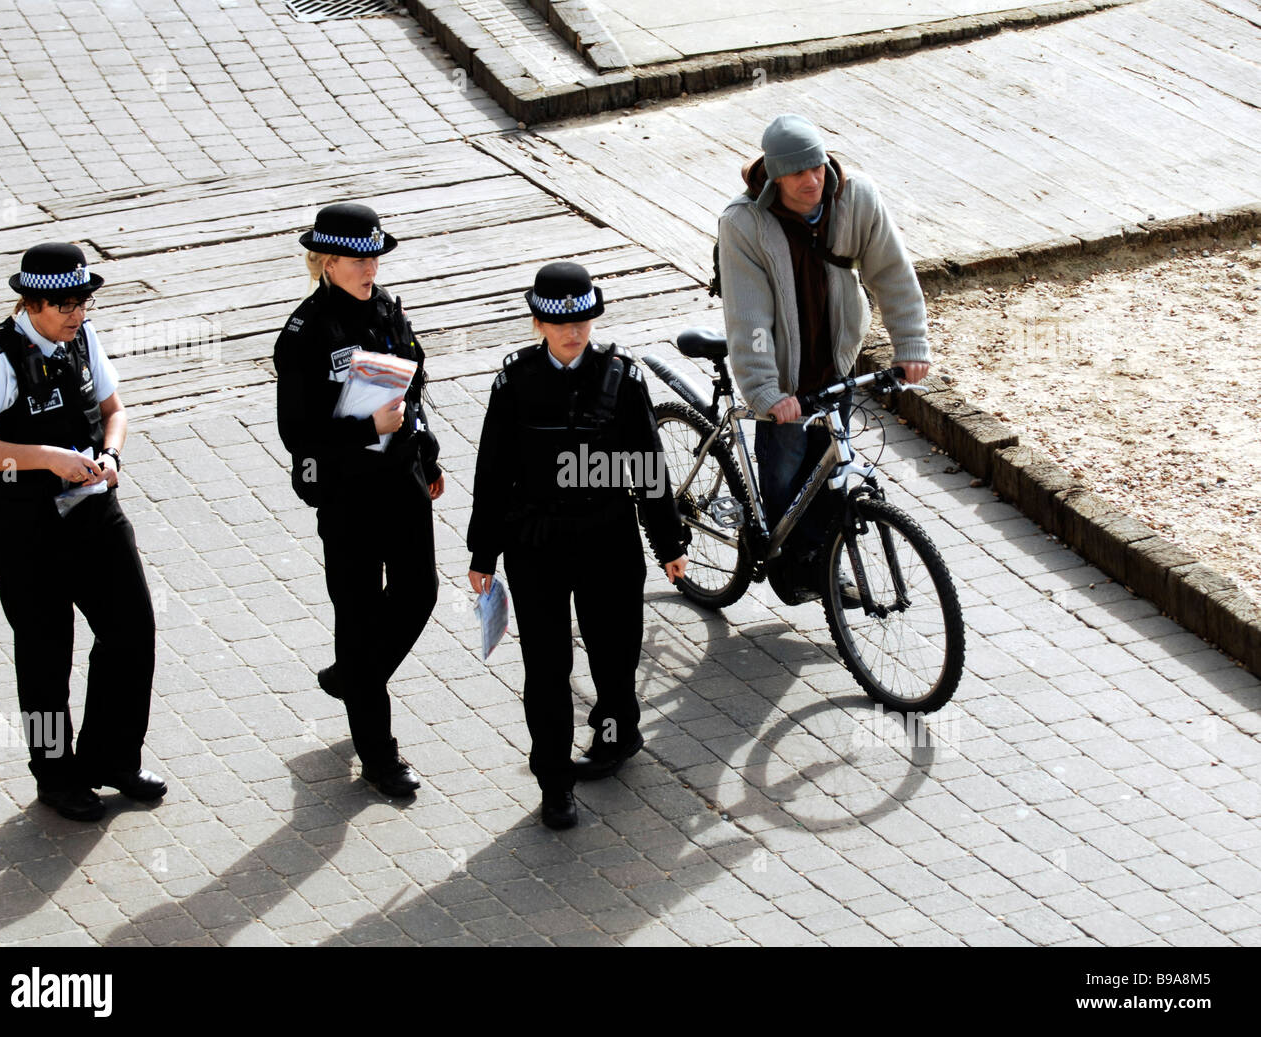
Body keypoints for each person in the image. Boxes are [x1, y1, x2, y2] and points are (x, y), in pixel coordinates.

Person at [466, 262, 688, 830]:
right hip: (537, 543)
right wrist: (483, 553)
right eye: (561, 324)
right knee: (546, 667)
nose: (573, 334)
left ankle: (615, 735)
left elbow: (649, 466)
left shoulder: (624, 376)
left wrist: (668, 542)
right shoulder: (514, 381)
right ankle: (554, 782)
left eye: (583, 322)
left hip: (609, 540)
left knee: (615, 655)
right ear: (538, 322)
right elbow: (491, 471)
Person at [0, 243, 162, 822]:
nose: (76, 313)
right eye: (63, 303)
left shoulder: (83, 338)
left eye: (83, 300)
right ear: (31, 301)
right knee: (47, 655)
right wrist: (45, 456)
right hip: (24, 527)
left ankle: (112, 758)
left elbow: (114, 409)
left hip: (93, 508)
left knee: (131, 629)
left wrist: (112, 452)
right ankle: (55, 774)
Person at [717, 114, 932, 591]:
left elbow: (892, 273)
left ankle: (819, 563)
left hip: (834, 361)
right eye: (797, 172)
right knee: (786, 466)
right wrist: (764, 390)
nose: (812, 180)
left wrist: (911, 343)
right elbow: (748, 315)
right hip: (782, 372)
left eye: (816, 167)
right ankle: (782, 558)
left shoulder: (856, 197)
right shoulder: (744, 223)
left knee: (833, 466)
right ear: (775, 175)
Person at [274, 202, 442, 799]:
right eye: (358, 258)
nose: (370, 266)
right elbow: (298, 433)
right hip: (347, 494)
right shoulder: (304, 334)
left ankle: (353, 676)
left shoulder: (388, 307)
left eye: (375, 255)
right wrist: (366, 429)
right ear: (325, 261)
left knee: (419, 592)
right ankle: (378, 752)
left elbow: (414, 381)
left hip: (401, 479)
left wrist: (429, 456)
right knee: (358, 612)